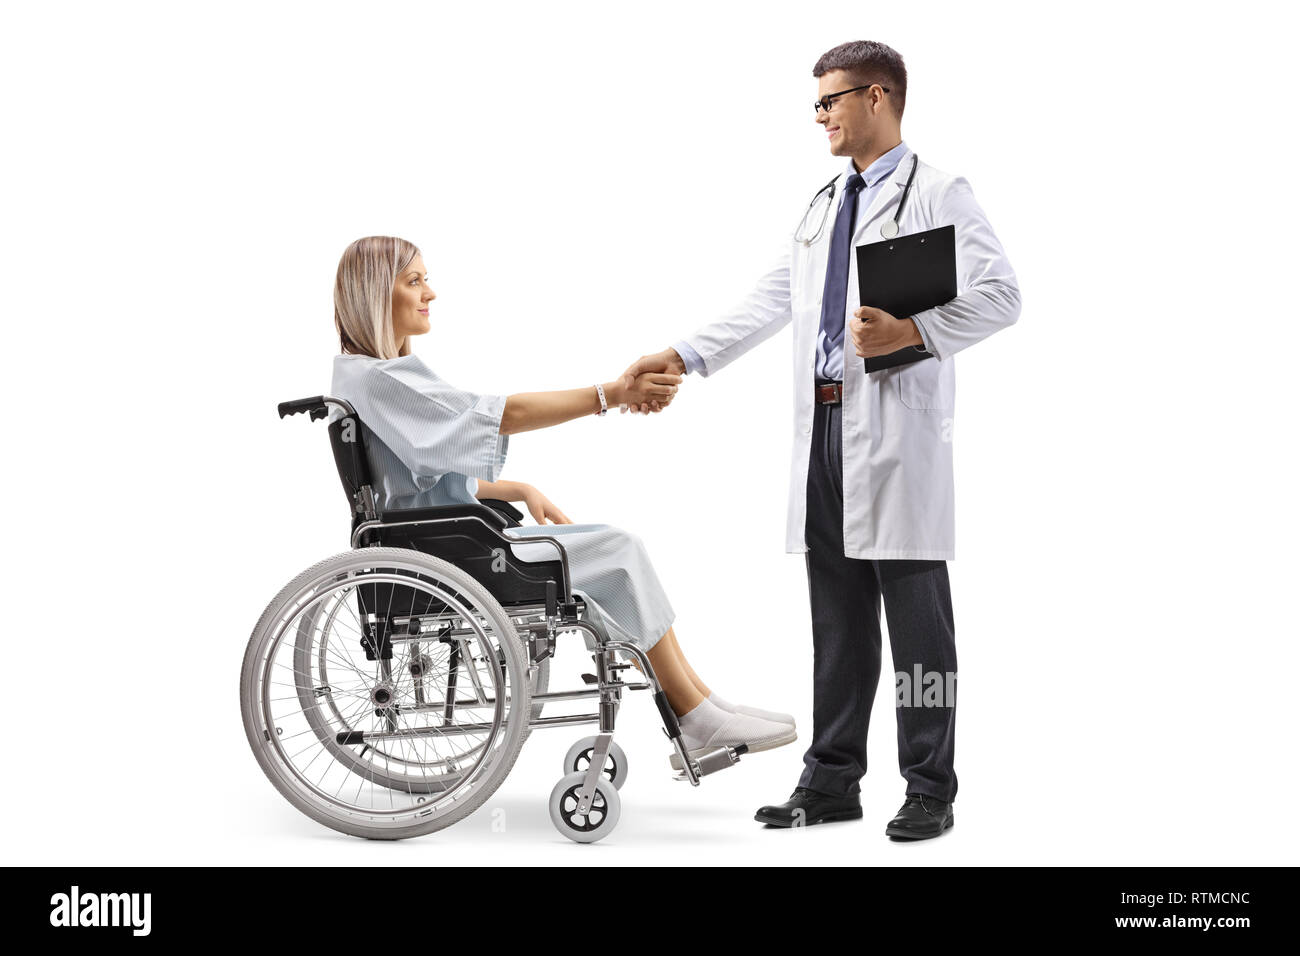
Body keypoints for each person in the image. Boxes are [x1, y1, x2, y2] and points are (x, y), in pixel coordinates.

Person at [622, 40, 1021, 837]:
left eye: (831, 100)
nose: (821, 116)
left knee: (918, 630)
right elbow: (772, 298)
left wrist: (914, 327)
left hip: (898, 433)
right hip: (828, 429)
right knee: (837, 619)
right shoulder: (823, 205)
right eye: (818, 103)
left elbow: (1004, 295)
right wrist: (685, 355)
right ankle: (833, 778)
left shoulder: (941, 190)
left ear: (878, 97)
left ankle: (930, 787)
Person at [325, 234, 798, 765]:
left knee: (612, 555)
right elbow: (505, 415)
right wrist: (610, 395)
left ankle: (701, 706)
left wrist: (520, 489)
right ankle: (696, 714)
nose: (430, 292)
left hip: (438, 540)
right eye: (414, 281)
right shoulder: (385, 378)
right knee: (617, 549)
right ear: (372, 293)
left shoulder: (366, 377)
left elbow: (423, 474)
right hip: (445, 553)